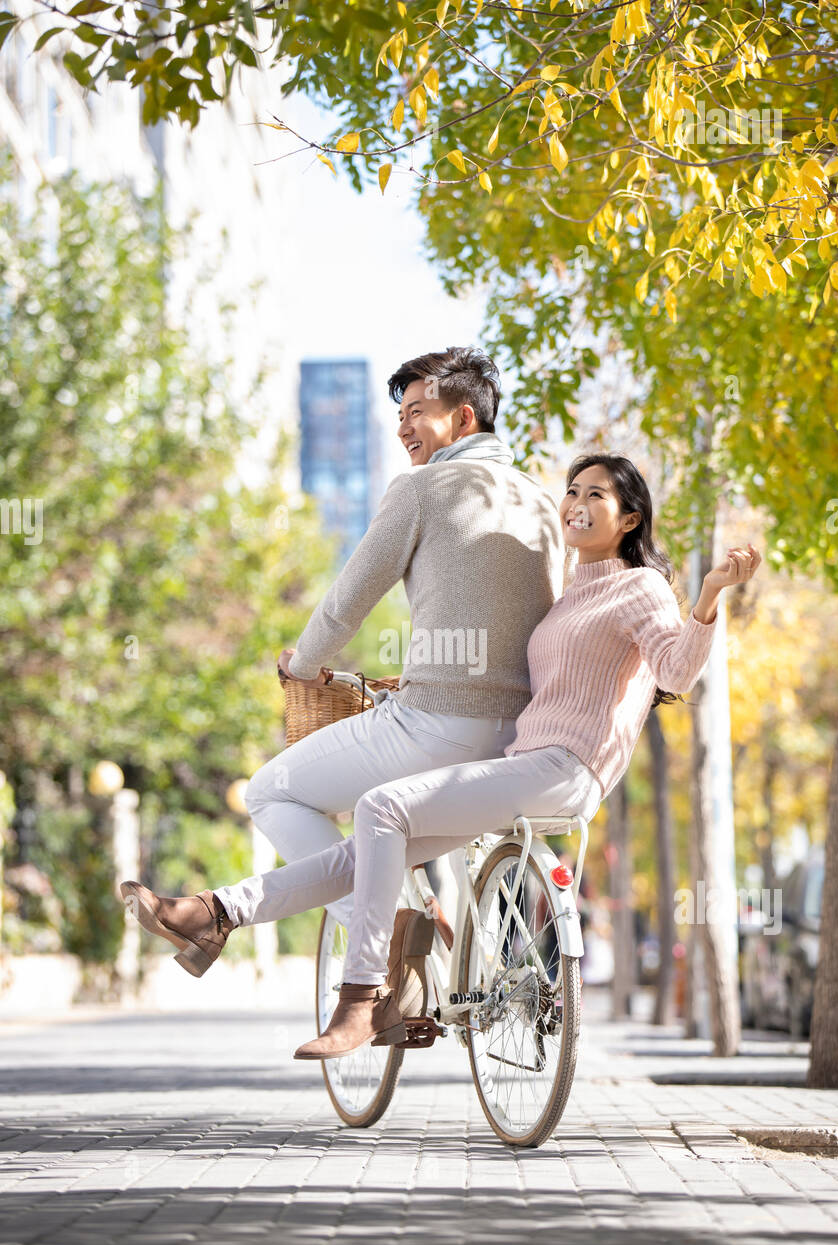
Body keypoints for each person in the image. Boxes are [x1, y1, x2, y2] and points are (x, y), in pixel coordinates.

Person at [122, 453, 761, 1059]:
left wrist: (707, 599)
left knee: (380, 807)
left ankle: (364, 995)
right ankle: (213, 913)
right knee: (362, 853)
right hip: (527, 764)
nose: (575, 503)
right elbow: (548, 680)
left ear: (629, 519)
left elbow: (676, 667)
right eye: (571, 490)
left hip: (564, 769)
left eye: (596, 494)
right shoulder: (568, 593)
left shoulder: (641, 587)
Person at [120, 345, 563, 973]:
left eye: (417, 411)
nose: (403, 426)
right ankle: (230, 919)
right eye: (399, 414)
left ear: (465, 419)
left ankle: (385, 937)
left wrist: (301, 665)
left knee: (271, 791)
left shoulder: (422, 488)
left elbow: (347, 601)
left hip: (438, 726)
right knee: (374, 841)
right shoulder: (545, 503)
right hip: (522, 743)